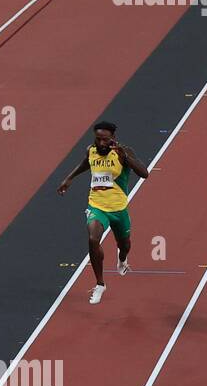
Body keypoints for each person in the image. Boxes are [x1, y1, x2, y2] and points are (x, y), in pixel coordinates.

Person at [57, 122, 150, 305]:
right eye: (97, 138)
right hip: (97, 206)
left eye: (104, 139)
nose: (100, 143)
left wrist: (125, 157)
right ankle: (100, 284)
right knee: (93, 239)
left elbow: (144, 173)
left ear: (113, 138)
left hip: (119, 209)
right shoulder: (91, 150)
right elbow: (86, 164)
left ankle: (122, 259)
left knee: (124, 245)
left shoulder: (123, 152)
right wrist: (69, 178)